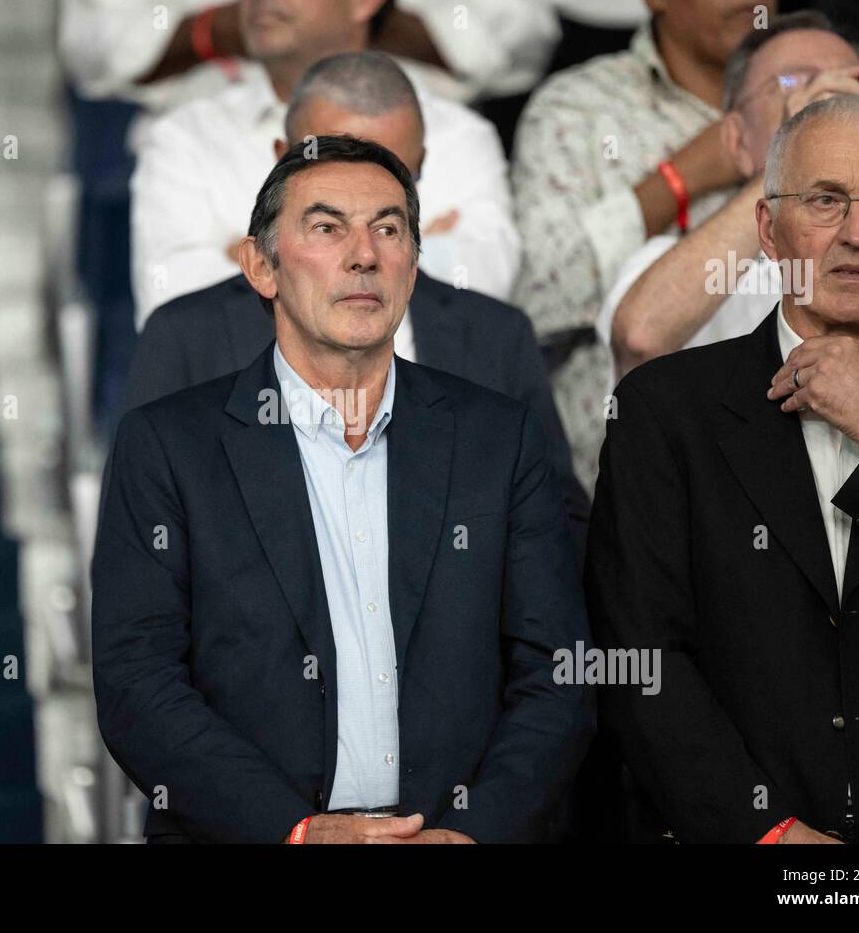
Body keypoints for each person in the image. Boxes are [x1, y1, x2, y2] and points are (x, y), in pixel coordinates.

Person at [92, 136, 593, 843]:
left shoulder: (497, 439)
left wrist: (477, 831)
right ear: (260, 266)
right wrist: (297, 831)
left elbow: (557, 674)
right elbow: (136, 685)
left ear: (413, 268)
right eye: (328, 228)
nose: (365, 255)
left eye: (389, 230)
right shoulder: (168, 446)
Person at [586, 96, 859, 843]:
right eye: (825, 201)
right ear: (767, 228)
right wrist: (766, 832)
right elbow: (637, 659)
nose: (856, 235)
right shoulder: (666, 409)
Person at [123, 51, 591, 560]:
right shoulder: (185, 338)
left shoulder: (496, 338)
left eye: (387, 179)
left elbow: (556, 540)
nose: (361, 249)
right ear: (280, 157)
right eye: (329, 203)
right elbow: (142, 570)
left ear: (419, 169)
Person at [511, 0, 780, 493]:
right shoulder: (580, 108)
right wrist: (681, 178)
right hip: (622, 493)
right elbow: (538, 304)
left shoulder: (828, 92)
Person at [128, 0, 521, 328]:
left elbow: (479, 301)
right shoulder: (184, 138)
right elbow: (173, 313)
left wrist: (268, 262)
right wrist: (411, 258)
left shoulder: (459, 135)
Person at [601, 12, 859, 381]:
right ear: (736, 140)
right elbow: (641, 339)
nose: (829, 105)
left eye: (853, 88)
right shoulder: (667, 263)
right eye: (794, 82)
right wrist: (795, 155)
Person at [58, 0, 560, 113]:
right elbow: (89, 46)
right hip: (207, 156)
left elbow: (525, 39)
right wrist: (214, 31)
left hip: (415, 153)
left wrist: (357, 17)